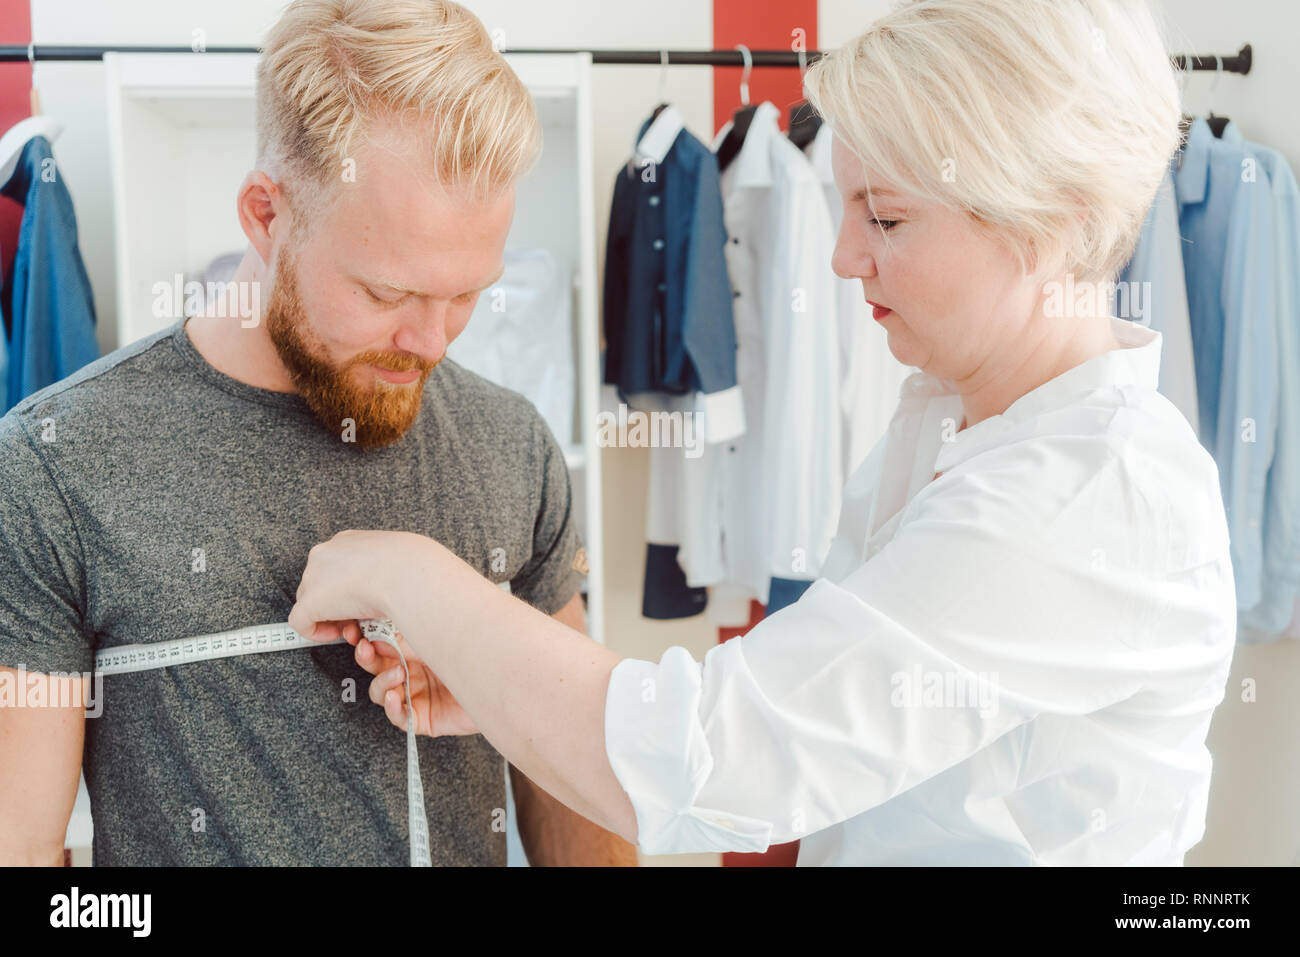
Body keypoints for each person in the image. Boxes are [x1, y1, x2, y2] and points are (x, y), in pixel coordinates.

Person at [290, 0, 1240, 865]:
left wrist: (410, 576)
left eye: (887, 217)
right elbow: (814, 729)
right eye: (847, 207)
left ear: (1051, 226)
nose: (843, 255)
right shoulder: (946, 419)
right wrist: (506, 689)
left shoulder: (1087, 496)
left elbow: (720, 757)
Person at [0, 0, 635, 866]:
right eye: (386, 293)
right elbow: (22, 847)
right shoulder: (54, 466)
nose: (433, 342)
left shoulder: (510, 442)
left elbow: (577, 775)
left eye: (467, 294)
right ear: (266, 214)